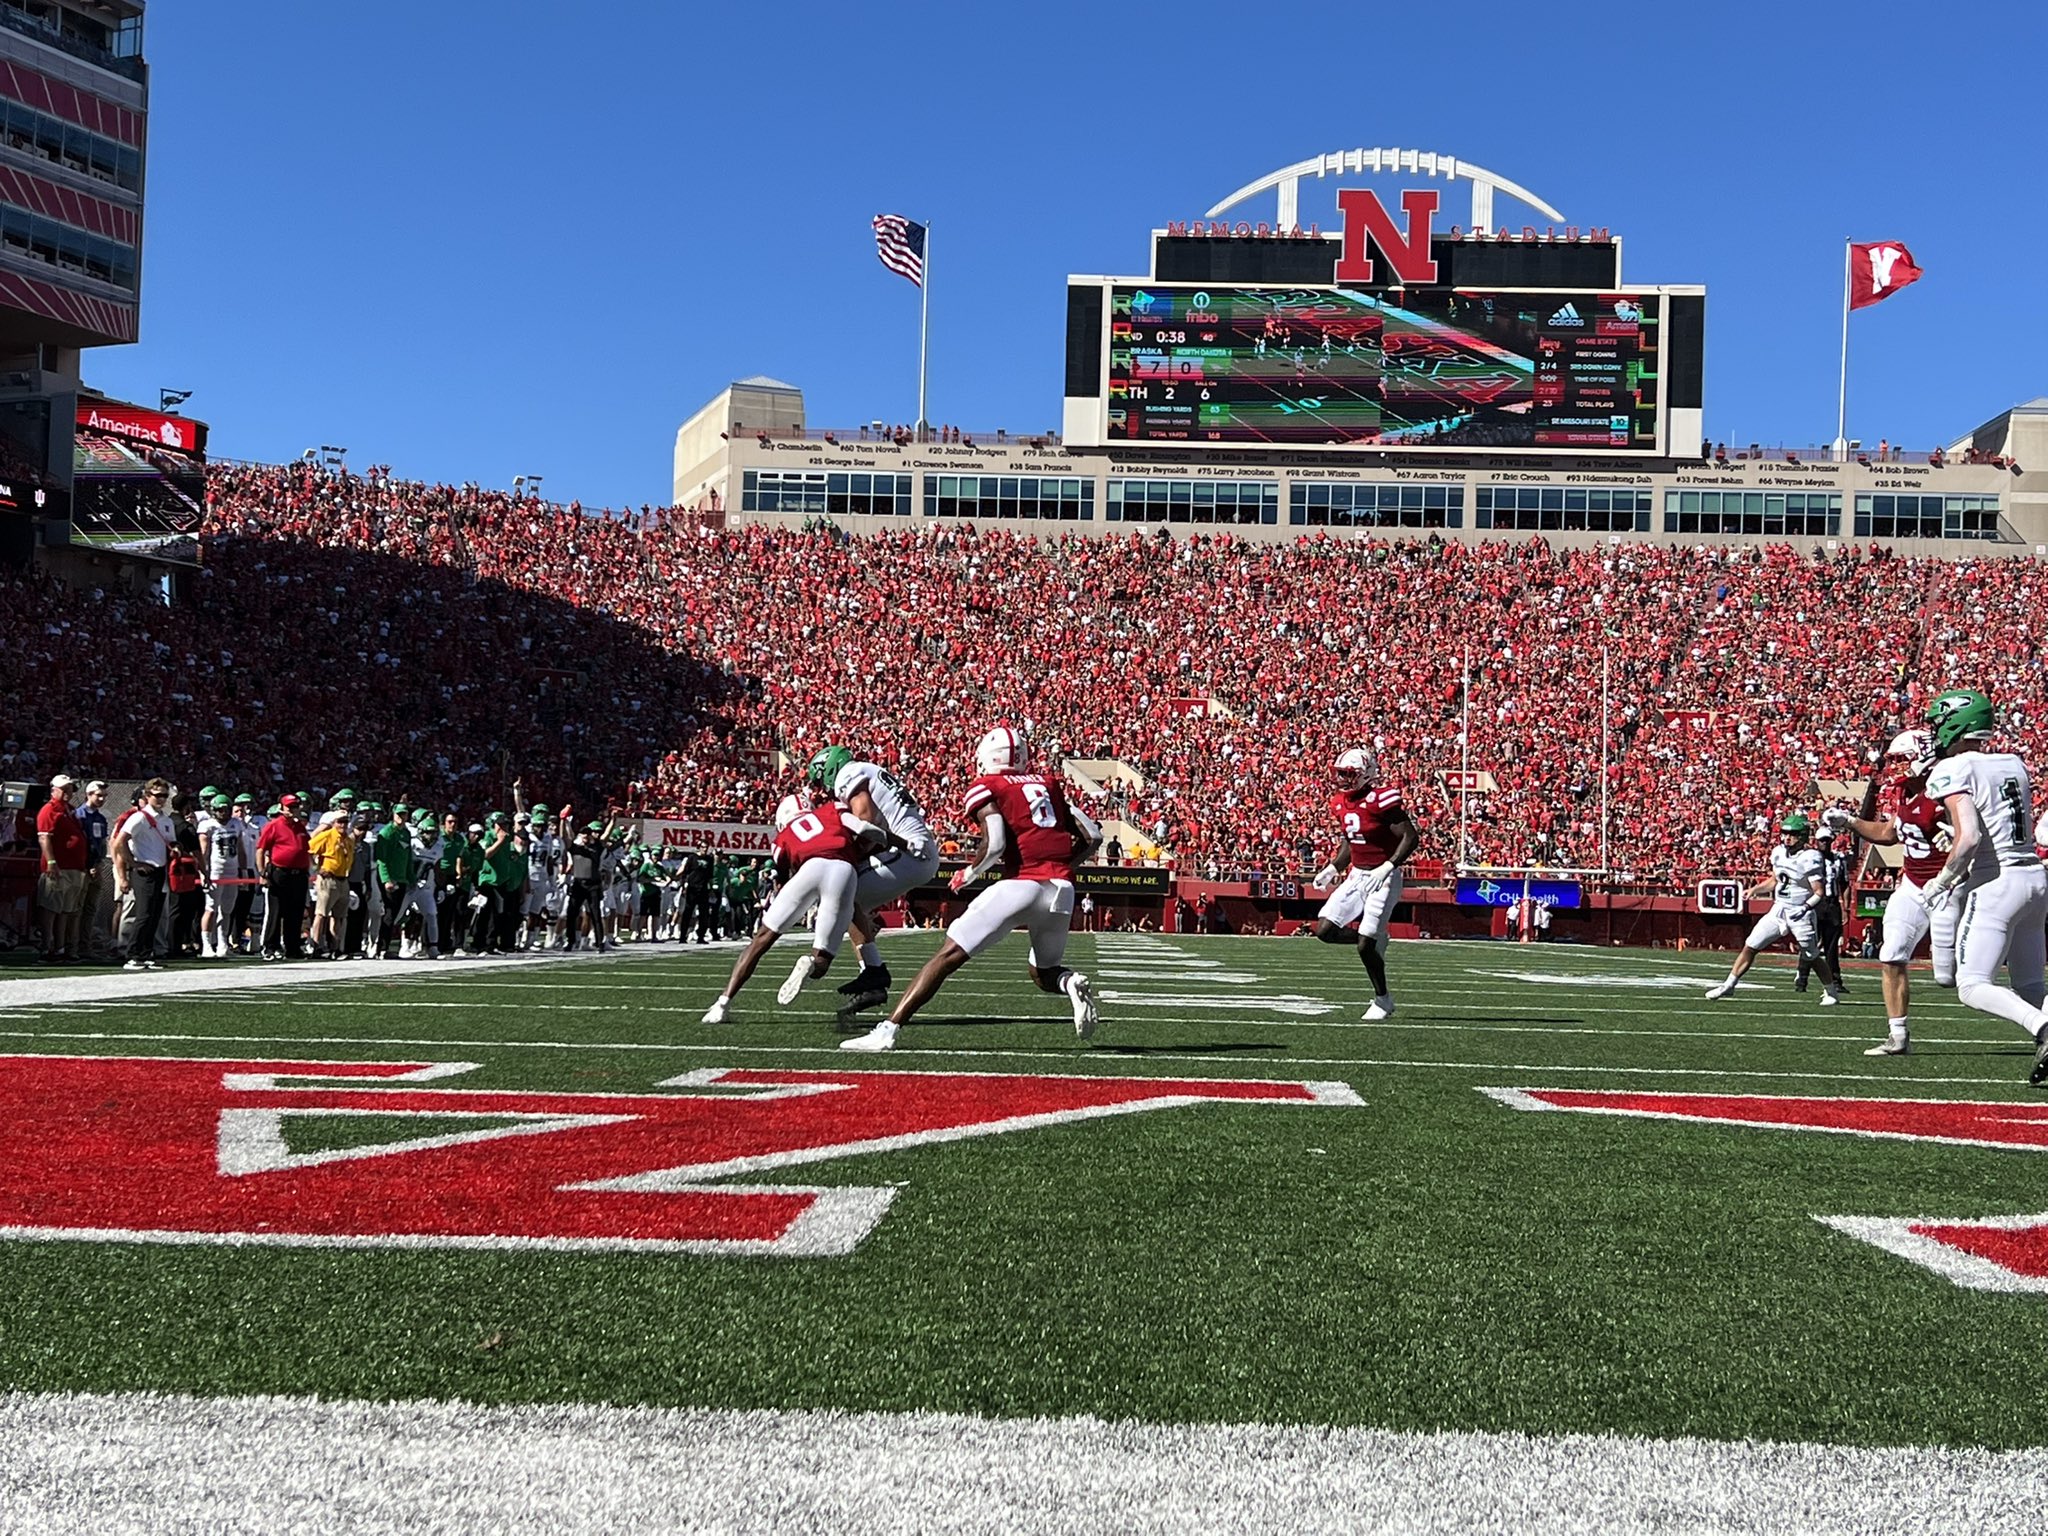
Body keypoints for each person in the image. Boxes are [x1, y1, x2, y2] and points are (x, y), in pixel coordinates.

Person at [842, 724, 1100, 1053]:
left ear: (988, 757)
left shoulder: (988, 784)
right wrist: (1063, 866)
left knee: (945, 957)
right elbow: (1092, 836)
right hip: (1061, 890)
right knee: (1045, 972)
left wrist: (970, 873)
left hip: (1021, 885)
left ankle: (887, 1031)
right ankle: (1070, 982)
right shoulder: (1048, 783)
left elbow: (994, 842)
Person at [1912, 690, 2048, 1084]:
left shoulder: (1952, 769)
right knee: (2030, 983)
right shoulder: (2013, 763)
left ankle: (2042, 1031)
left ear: (1957, 724)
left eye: (1939, 723)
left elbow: (1969, 836)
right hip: (2035, 878)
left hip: (1997, 882)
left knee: (1971, 985)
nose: (1934, 731)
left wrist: (1942, 880)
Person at [1825, 730, 1953, 1055]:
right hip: (1912, 884)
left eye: (1901, 758)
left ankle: (2038, 1019)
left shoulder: (1948, 790)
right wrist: (1851, 822)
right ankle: (1898, 1036)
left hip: (1950, 888)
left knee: (1955, 977)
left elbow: (1979, 835)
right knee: (1891, 954)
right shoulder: (1906, 792)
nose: (1894, 765)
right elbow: (1887, 832)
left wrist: (1957, 837)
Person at [703, 793, 883, 1024]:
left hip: (809, 869)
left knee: (762, 939)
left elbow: (784, 869)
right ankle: (811, 963)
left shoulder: (783, 837)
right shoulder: (831, 810)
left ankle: (722, 1004)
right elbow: (864, 831)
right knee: (822, 961)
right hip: (842, 870)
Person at [805, 745, 942, 1020]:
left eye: (822, 780)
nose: (824, 788)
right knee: (849, 896)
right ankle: (871, 971)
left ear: (829, 768)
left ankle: (868, 970)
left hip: (911, 852)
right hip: (912, 850)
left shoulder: (850, 773)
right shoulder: (868, 771)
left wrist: (844, 852)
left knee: (843, 889)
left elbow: (864, 820)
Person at [1307, 747, 1420, 1021]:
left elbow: (1410, 837)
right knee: (1325, 930)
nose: (1342, 779)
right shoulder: (1339, 803)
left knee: (1364, 947)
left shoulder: (1380, 801)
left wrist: (1389, 865)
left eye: (1348, 774)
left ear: (1365, 774)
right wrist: (1334, 866)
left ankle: (1383, 1000)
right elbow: (1352, 839)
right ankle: (1376, 939)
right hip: (1357, 874)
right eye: (1340, 773)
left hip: (1383, 877)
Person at [1705, 813, 1843, 1004]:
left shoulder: (1810, 857)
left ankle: (1831, 991)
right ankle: (1729, 985)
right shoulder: (1778, 852)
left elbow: (1818, 892)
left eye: (1791, 834)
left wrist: (1804, 907)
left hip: (1799, 913)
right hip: (1779, 909)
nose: (1786, 837)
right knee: (1751, 945)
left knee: (1812, 955)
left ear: (1802, 836)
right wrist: (1755, 889)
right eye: (1784, 833)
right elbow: (1775, 880)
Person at [112, 778, 174, 971]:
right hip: (145, 870)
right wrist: (133, 863)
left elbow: (171, 842)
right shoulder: (139, 817)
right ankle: (132, 954)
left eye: (164, 795)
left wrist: (176, 848)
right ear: (147, 796)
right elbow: (119, 842)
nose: (161, 799)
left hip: (160, 869)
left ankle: (146, 953)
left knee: (155, 914)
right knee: (144, 914)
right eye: (157, 795)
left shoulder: (166, 819)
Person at [34, 774, 87, 962]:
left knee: (66, 909)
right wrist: (51, 862)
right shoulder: (49, 810)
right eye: (63, 789)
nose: (67, 792)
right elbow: (44, 837)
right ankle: (46, 947)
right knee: (51, 908)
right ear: (53, 790)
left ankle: (60, 947)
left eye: (70, 789)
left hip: (74, 866)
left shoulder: (69, 810)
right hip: (59, 867)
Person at [1794, 827, 1853, 993]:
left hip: (1832, 903)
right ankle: (1802, 978)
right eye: (1822, 840)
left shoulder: (1839, 859)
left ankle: (1835, 980)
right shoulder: (1808, 858)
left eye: (1827, 840)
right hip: (1814, 902)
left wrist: (1845, 907)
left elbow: (1845, 883)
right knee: (1809, 942)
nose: (1824, 843)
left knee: (1832, 946)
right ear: (1816, 841)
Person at [256, 794, 313, 959]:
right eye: (290, 807)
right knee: (276, 911)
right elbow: (261, 849)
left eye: (295, 806)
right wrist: (262, 872)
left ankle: (292, 947)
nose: (293, 810)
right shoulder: (273, 825)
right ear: (282, 808)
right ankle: (270, 946)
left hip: (299, 874)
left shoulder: (299, 826)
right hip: (280, 872)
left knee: (295, 912)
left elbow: (306, 847)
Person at [307, 804, 359, 958]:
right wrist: (317, 867)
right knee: (321, 914)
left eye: (345, 821)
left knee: (339, 916)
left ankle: (335, 948)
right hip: (328, 879)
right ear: (334, 822)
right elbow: (308, 849)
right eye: (340, 822)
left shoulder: (348, 840)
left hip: (343, 880)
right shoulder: (327, 835)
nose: (343, 825)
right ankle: (315, 946)